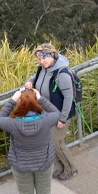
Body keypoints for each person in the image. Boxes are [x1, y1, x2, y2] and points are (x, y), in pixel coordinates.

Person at [0, 88, 63, 194]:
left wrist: (12, 100)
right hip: (44, 163)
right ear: (36, 102)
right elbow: (57, 113)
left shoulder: (13, 123)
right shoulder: (46, 120)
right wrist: (41, 98)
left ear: (20, 102)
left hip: (21, 166)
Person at [24, 43, 77, 180]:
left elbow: (68, 97)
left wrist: (63, 119)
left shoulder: (62, 74)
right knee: (50, 141)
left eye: (44, 59)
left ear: (52, 56)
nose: (42, 62)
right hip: (48, 113)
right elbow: (36, 78)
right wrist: (30, 81)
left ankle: (71, 169)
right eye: (40, 59)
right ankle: (60, 168)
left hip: (60, 114)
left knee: (57, 142)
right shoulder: (43, 68)